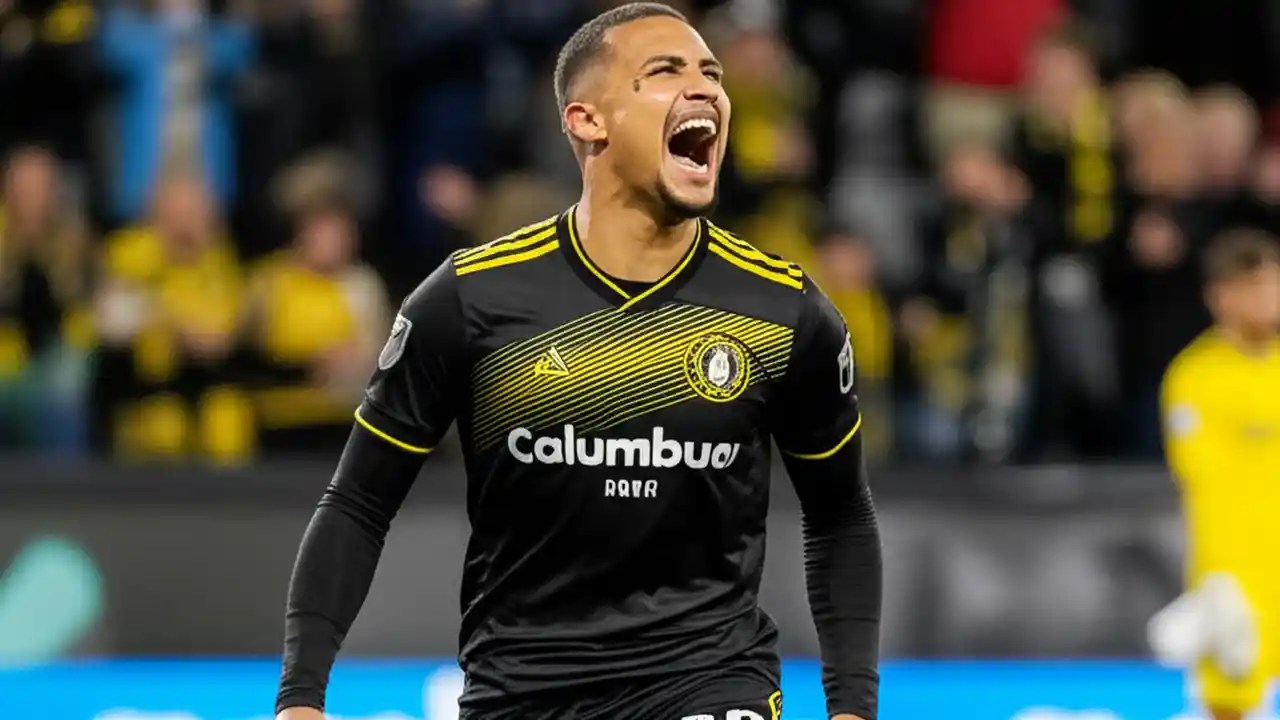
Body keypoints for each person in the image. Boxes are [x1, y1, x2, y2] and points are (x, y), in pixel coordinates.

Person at [274, 4, 881, 720]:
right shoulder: (470, 301)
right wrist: (301, 698)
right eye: (666, 71)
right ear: (586, 119)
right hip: (522, 692)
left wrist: (851, 708)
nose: (705, 90)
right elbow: (359, 502)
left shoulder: (785, 313)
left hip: (710, 681)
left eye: (712, 74)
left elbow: (840, 514)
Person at [1156, 228, 1280, 720]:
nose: (1268, 300)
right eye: (1254, 287)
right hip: (1236, 585)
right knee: (1229, 708)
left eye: (1273, 286)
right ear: (1220, 296)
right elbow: (1201, 475)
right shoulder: (1195, 377)